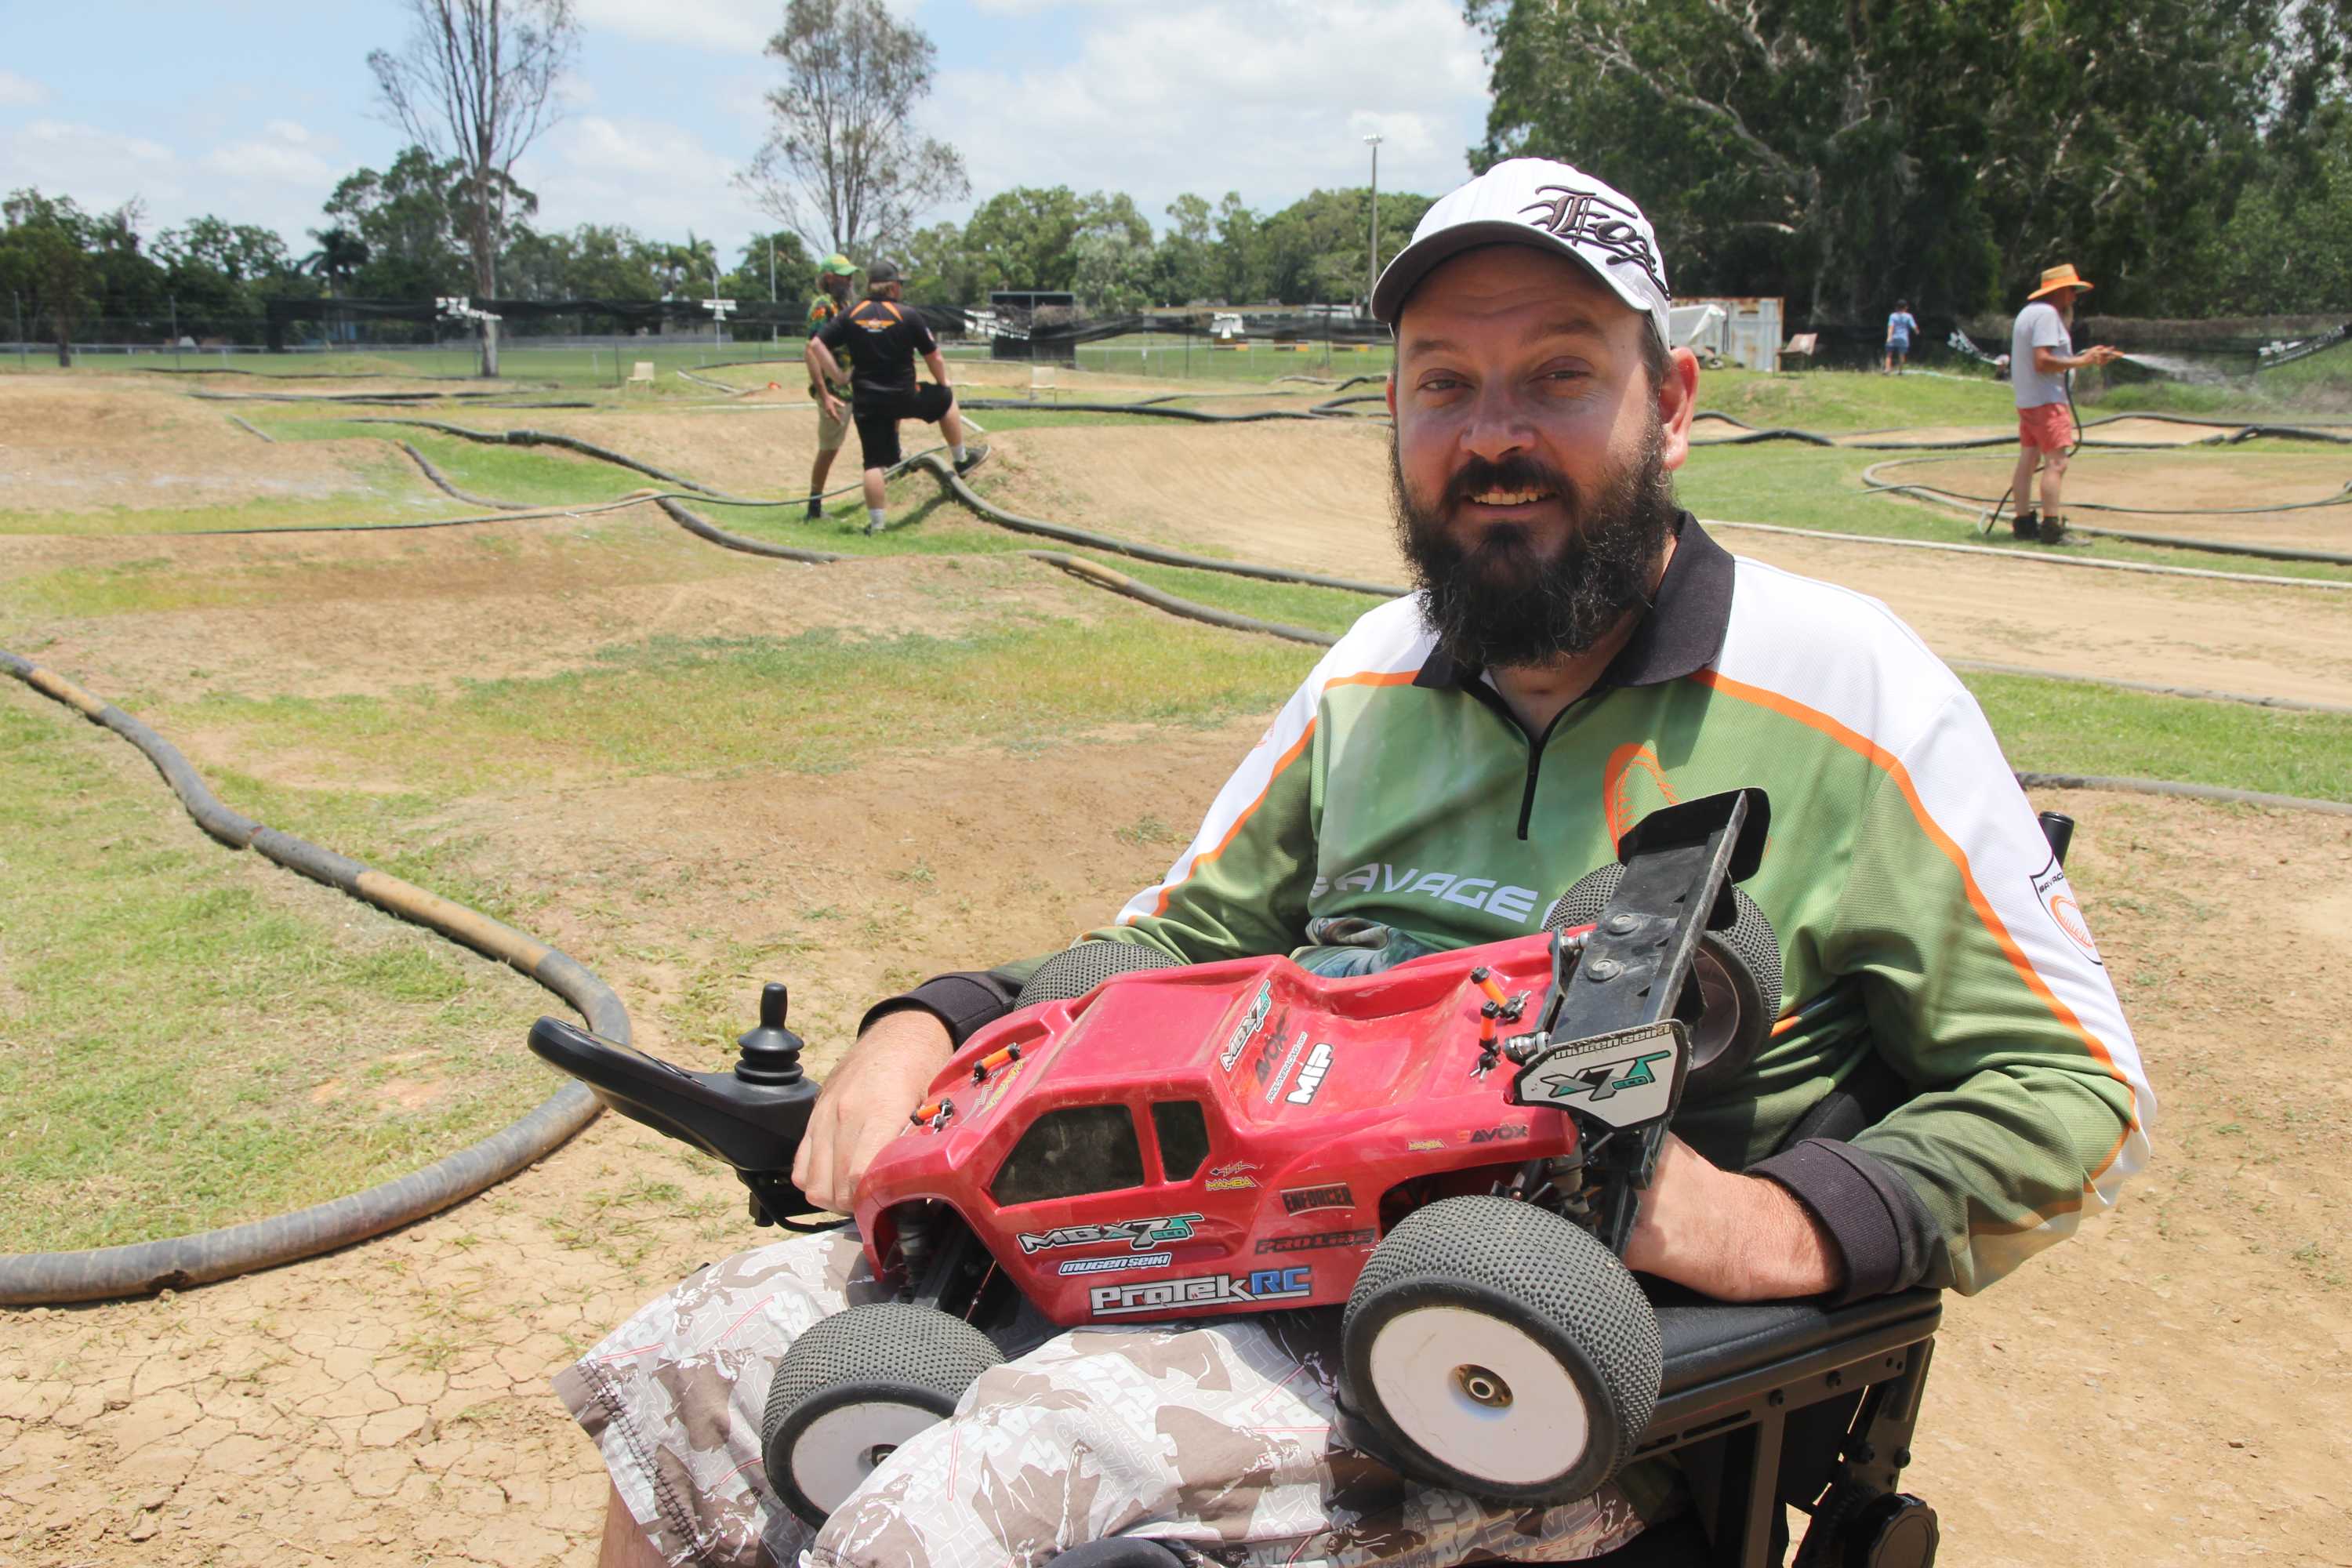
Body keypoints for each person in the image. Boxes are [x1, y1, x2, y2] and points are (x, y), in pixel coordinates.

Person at [564, 158, 2153, 1568]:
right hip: (1219, 1216)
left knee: (959, 1515)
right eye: (1445, 383)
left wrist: (1773, 1222)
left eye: (1559, 376)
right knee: (693, 1373)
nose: (1495, 435)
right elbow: (1179, 940)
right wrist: (938, 1021)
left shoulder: (1852, 689)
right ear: (1394, 415)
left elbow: (2074, 1085)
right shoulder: (1370, 674)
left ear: (1671, 403)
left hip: (1520, 1347)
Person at [806, 260, 986, 536]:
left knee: (872, 463)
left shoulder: (852, 313)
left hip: (867, 401)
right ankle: (961, 459)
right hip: (905, 396)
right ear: (892, 288)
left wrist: (840, 378)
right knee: (946, 399)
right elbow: (934, 356)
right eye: (899, 284)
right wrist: (943, 382)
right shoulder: (907, 314)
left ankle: (877, 526)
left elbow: (815, 345)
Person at [2007, 264, 2121, 544]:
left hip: (2029, 400)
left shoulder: (2028, 313)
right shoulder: (2047, 314)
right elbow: (2043, 361)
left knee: (2028, 459)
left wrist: (2086, 356)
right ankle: (2051, 528)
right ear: (2058, 291)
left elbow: (2048, 356)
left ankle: (2023, 523)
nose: (2074, 297)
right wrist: (2084, 361)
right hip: (2048, 402)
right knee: (2057, 463)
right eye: (2071, 290)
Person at [802, 255, 858, 521]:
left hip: (852, 388)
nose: (849, 280)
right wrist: (824, 395)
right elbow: (812, 351)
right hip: (835, 392)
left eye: (850, 275)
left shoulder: (844, 305)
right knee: (829, 448)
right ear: (829, 278)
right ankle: (814, 507)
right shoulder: (822, 307)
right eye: (844, 275)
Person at [1883, 299, 1918, 374]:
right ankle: (1900, 371)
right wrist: (1917, 331)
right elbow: (1913, 326)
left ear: (1896, 307)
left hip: (1893, 337)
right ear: (1906, 307)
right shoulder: (1909, 316)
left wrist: (1889, 337)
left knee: (1889, 354)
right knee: (1901, 355)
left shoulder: (1893, 316)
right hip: (1903, 338)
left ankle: (1887, 369)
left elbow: (1891, 327)